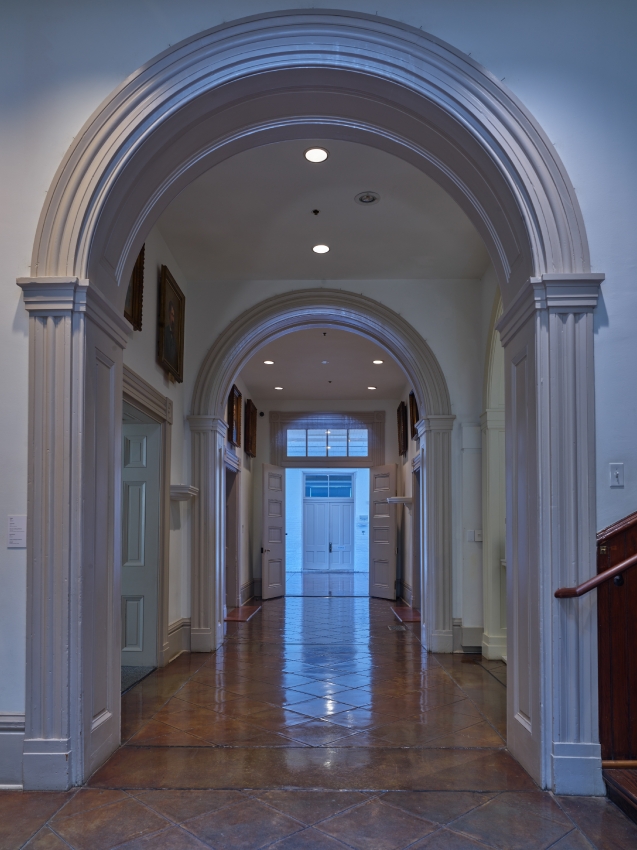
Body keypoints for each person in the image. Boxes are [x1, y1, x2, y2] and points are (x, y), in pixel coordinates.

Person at [163, 300, 178, 368]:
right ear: (169, 314)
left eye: (174, 316)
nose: (173, 319)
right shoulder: (165, 332)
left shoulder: (174, 339)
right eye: (172, 314)